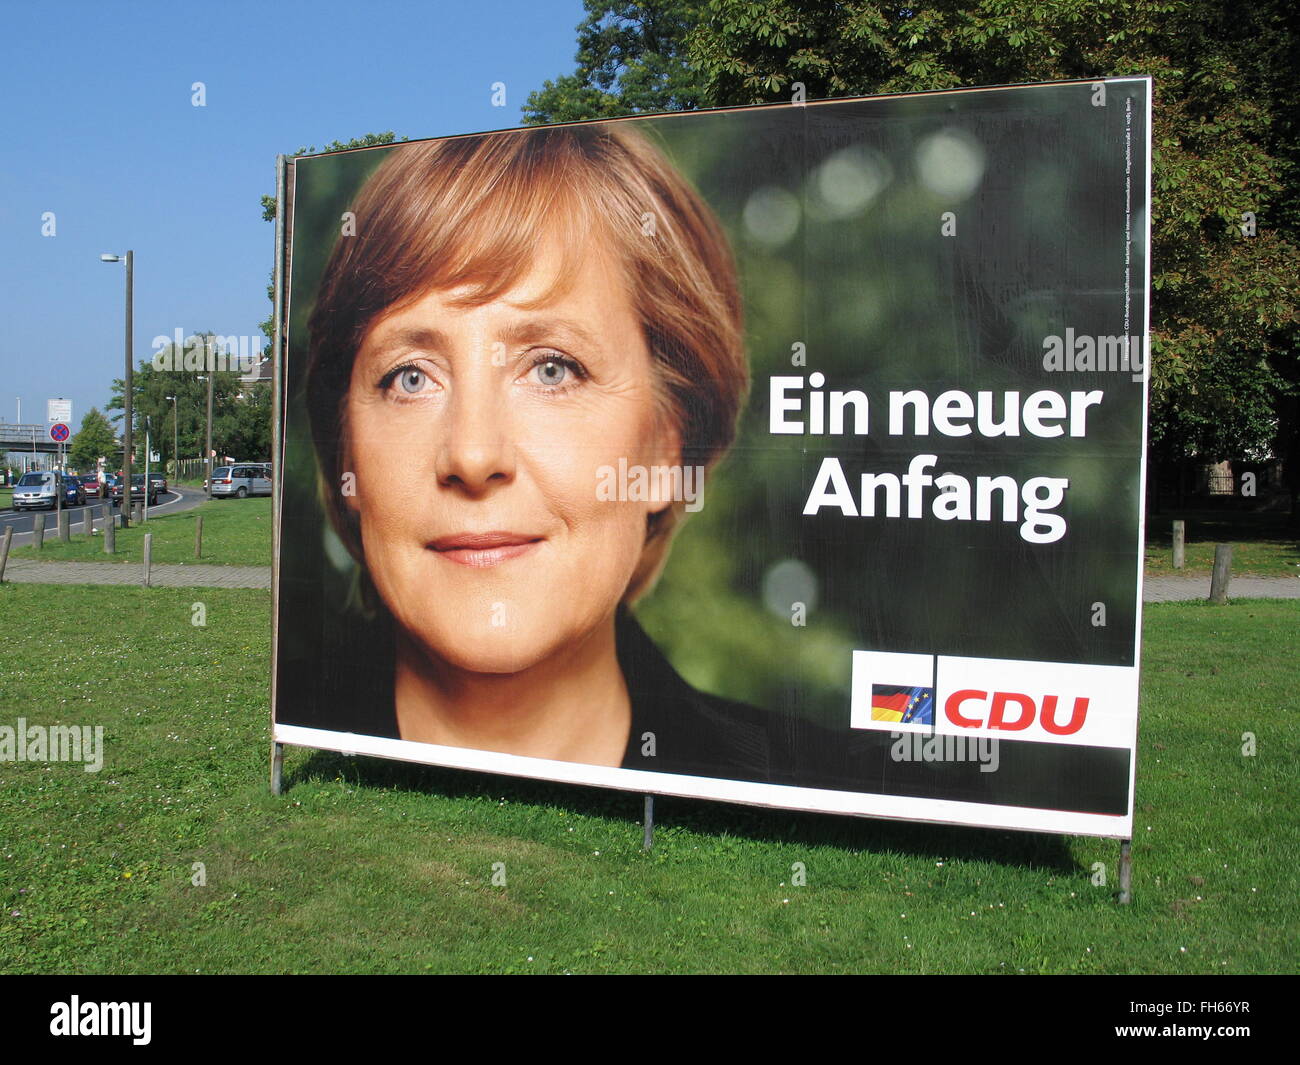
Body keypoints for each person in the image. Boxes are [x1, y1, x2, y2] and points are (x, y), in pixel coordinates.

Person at [293, 123, 782, 777]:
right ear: (347, 450)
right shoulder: (287, 754)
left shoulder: (823, 789)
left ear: (668, 448)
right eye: (411, 377)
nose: (471, 454)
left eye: (553, 369)